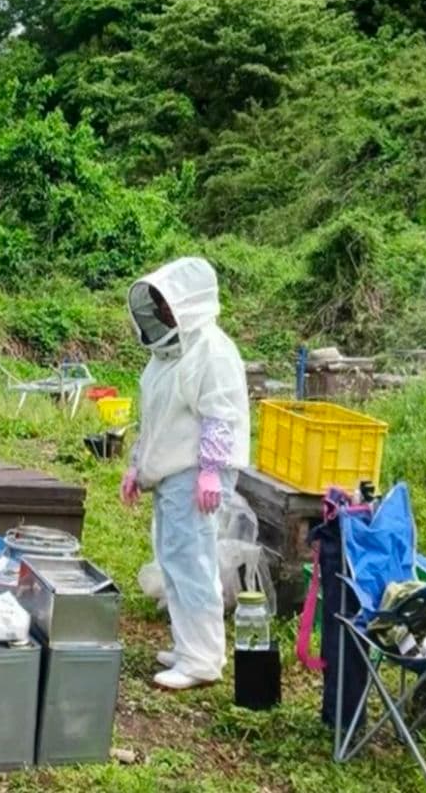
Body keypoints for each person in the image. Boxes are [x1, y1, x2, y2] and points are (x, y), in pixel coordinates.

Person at [120, 257, 249, 691]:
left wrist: (211, 471)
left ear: (189, 305)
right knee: (174, 560)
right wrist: (136, 466)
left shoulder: (212, 350)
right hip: (172, 474)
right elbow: (156, 419)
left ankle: (202, 660)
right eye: (156, 306)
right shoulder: (167, 355)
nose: (160, 314)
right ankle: (188, 644)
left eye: (166, 306)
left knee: (191, 562)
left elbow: (220, 415)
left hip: (195, 475)